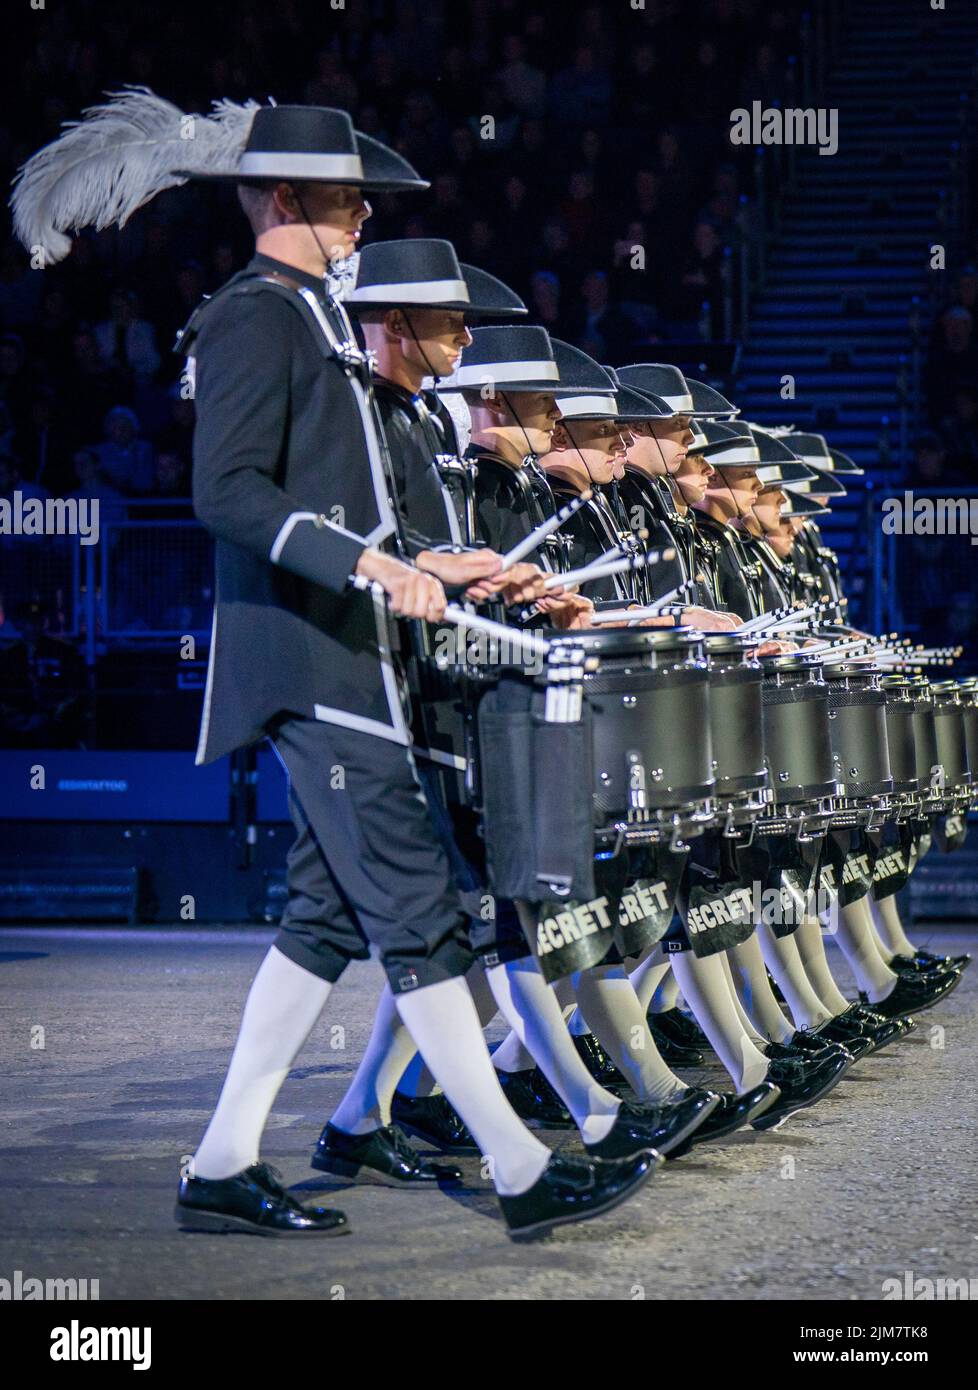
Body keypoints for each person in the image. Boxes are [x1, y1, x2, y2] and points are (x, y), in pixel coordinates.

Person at [13, 93, 659, 1241]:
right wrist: (371, 565)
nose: (364, 211)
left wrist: (436, 563)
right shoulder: (256, 317)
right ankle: (519, 1168)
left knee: (322, 922)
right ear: (281, 200)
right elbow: (229, 495)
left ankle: (219, 1163)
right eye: (346, 194)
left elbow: (343, 498)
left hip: (351, 654)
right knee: (419, 908)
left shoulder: (307, 314)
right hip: (311, 659)